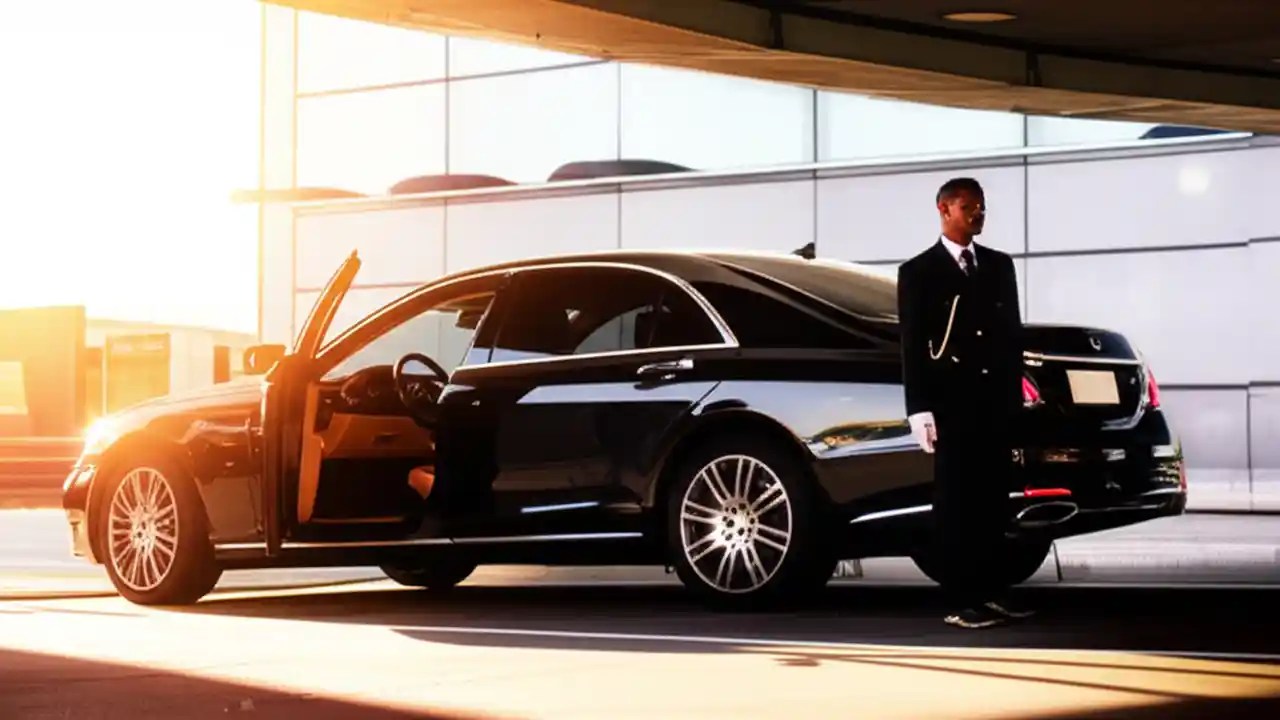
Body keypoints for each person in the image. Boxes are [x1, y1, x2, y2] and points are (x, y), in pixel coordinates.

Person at [896, 177, 1033, 629]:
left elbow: (1011, 338)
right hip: (951, 404)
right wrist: (919, 408)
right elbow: (913, 345)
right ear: (944, 209)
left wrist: (1015, 402)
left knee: (993, 502)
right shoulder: (918, 272)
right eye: (969, 207)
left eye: (982, 207)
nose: (978, 214)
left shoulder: (997, 266)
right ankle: (961, 599)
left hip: (993, 404)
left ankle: (993, 591)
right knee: (956, 506)